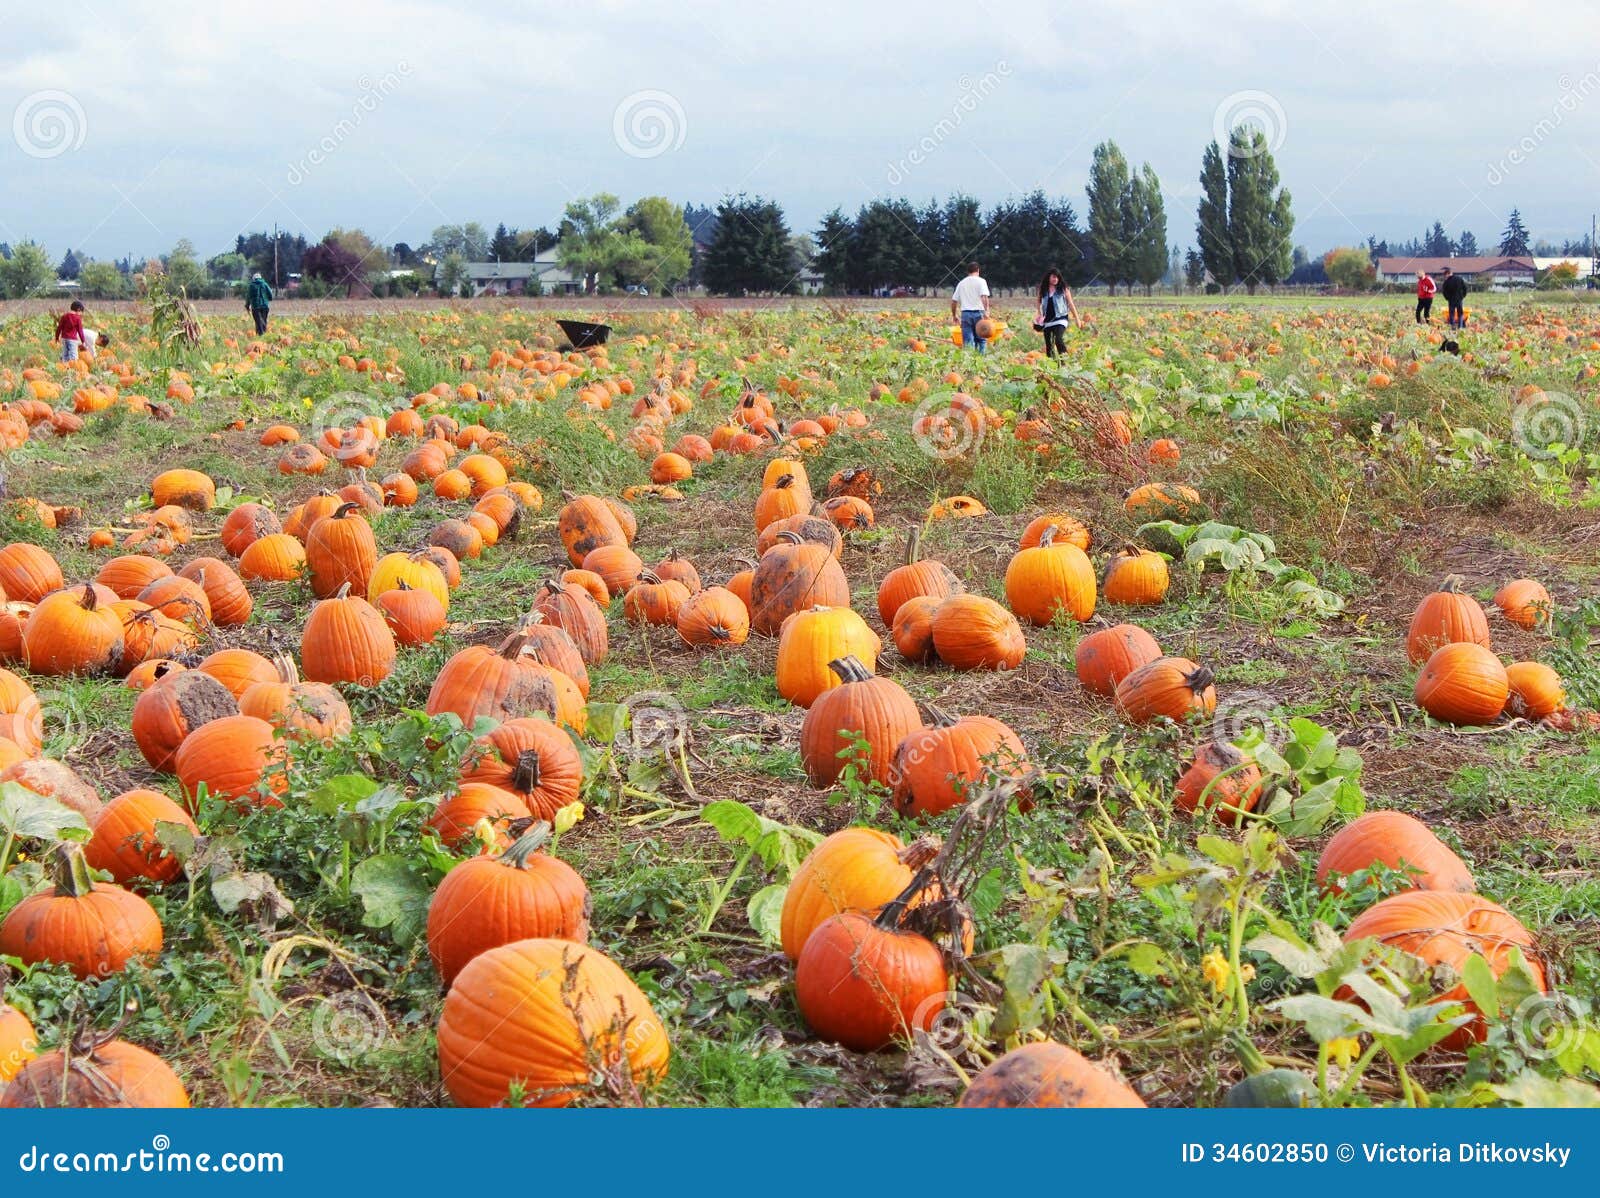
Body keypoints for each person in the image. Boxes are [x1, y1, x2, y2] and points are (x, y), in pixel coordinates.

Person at [1035, 268, 1082, 358]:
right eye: (1053, 277)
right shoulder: (1043, 290)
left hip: (1061, 319)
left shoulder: (1063, 289)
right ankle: (1053, 367)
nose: (1055, 279)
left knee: (1058, 340)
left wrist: (1077, 319)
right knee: (1049, 347)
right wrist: (1039, 313)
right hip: (1047, 321)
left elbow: (1071, 304)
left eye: (1057, 277)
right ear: (1048, 277)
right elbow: (1038, 301)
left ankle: (1065, 361)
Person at [950, 262, 990, 353]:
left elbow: (954, 301)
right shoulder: (981, 281)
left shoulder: (961, 283)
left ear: (968, 272)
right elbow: (984, 297)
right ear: (978, 270)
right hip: (979, 313)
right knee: (981, 339)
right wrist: (986, 311)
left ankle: (969, 361)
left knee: (968, 341)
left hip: (966, 314)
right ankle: (981, 360)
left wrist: (954, 315)